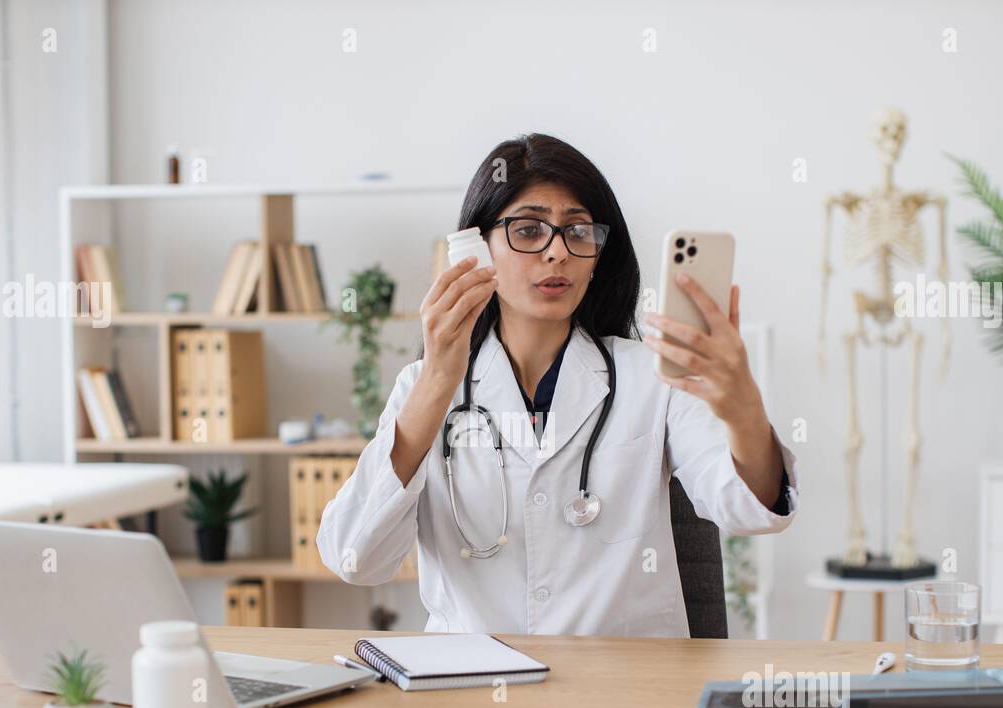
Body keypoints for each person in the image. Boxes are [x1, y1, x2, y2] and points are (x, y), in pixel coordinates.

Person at [317, 133, 798, 640]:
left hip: (625, 696)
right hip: (469, 692)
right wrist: (439, 379)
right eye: (528, 230)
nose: (557, 254)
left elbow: (752, 510)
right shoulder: (423, 387)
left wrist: (743, 410)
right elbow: (355, 558)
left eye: (578, 231)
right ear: (478, 248)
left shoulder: (652, 376)